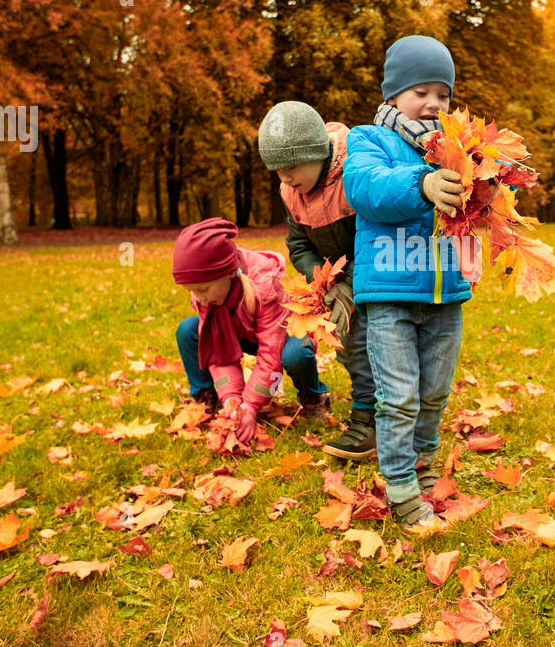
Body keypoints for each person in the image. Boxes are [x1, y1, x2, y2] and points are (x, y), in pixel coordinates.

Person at [342, 34, 473, 531]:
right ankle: (399, 490)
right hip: (391, 296)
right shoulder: (368, 140)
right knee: (398, 395)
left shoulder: (458, 149)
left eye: (443, 94)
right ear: (394, 94)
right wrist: (422, 183)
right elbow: (366, 188)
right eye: (422, 91)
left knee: (435, 391)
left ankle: (420, 463)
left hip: (445, 294)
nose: (434, 103)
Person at [256, 100, 376, 457]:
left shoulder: (355, 174)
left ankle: (372, 419)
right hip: (334, 284)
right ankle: (370, 413)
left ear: (318, 153)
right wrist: (320, 279)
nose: (286, 178)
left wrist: (349, 281)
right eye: (278, 171)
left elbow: (372, 238)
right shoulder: (292, 194)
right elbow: (297, 244)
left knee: (372, 343)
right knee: (350, 346)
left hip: (374, 275)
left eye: (292, 167)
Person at [171, 217, 329, 445]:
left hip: (283, 336)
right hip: (243, 335)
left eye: (203, 289)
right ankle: (205, 397)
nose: (199, 297)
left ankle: (313, 397)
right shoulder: (205, 297)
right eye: (192, 291)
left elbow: (270, 354)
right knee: (188, 329)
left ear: (227, 273)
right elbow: (219, 350)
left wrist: (251, 405)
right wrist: (232, 401)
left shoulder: (265, 288)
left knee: (295, 354)